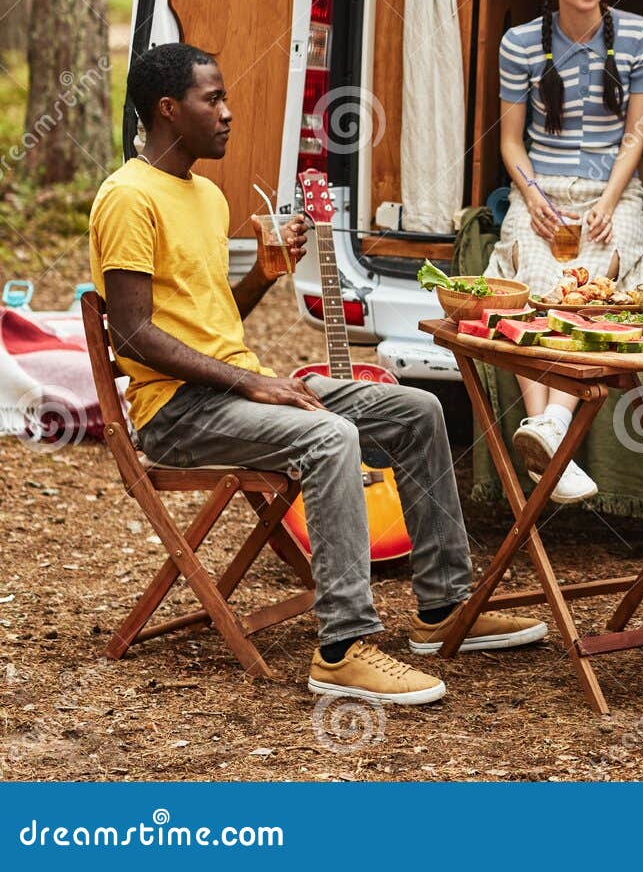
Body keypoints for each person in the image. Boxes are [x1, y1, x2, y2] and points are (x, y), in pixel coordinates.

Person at [91, 44, 545, 706]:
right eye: (211, 99)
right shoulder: (128, 197)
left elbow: (214, 318)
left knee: (416, 410)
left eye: (223, 97)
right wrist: (250, 382)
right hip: (178, 412)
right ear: (168, 109)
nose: (227, 112)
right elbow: (132, 332)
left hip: (228, 386)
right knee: (330, 436)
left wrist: (263, 276)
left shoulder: (207, 196)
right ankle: (342, 647)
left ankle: (443, 607)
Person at [485, 0, 643, 503]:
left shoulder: (642, 34)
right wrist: (534, 197)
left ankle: (548, 430)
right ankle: (549, 437)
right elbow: (511, 141)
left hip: (613, 190)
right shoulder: (520, 42)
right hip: (544, 189)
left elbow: (636, 133)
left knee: (600, 291)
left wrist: (610, 202)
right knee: (532, 287)